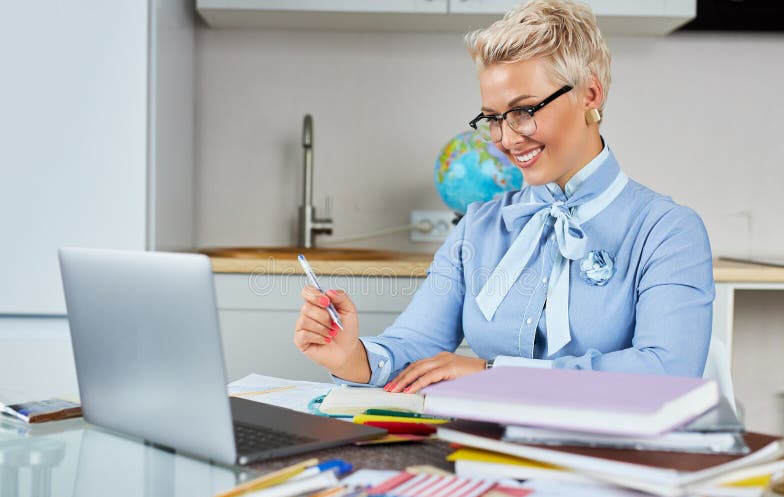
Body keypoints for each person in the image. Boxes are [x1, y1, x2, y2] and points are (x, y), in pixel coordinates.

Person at [293, 0, 714, 394]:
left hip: (608, 447)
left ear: (589, 94)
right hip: (483, 440)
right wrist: (353, 357)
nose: (506, 139)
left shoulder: (667, 232)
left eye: (524, 111)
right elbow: (416, 345)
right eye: (493, 118)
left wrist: (496, 373)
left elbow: (669, 372)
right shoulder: (479, 226)